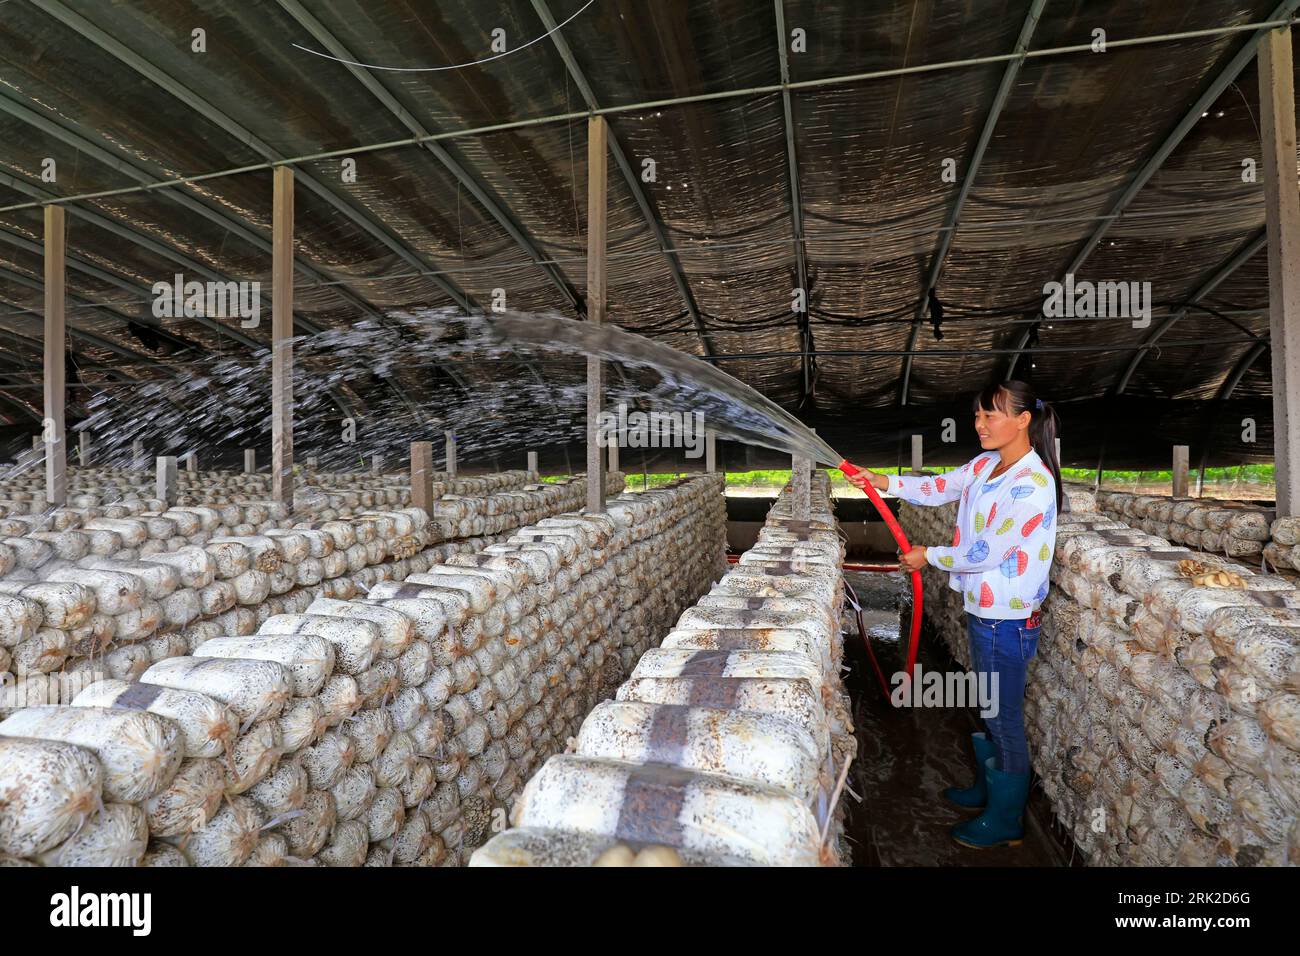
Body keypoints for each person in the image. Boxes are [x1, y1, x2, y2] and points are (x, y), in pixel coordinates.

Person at [845, 380, 1061, 849]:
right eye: (978, 416)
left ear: (1024, 420)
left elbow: (989, 550)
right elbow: (938, 487)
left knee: (1003, 717)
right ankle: (986, 789)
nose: (980, 425)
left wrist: (931, 557)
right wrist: (881, 481)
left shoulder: (1032, 482)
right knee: (988, 705)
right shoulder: (987, 464)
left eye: (991, 415)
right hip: (984, 610)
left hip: (1009, 619)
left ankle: (1005, 819)